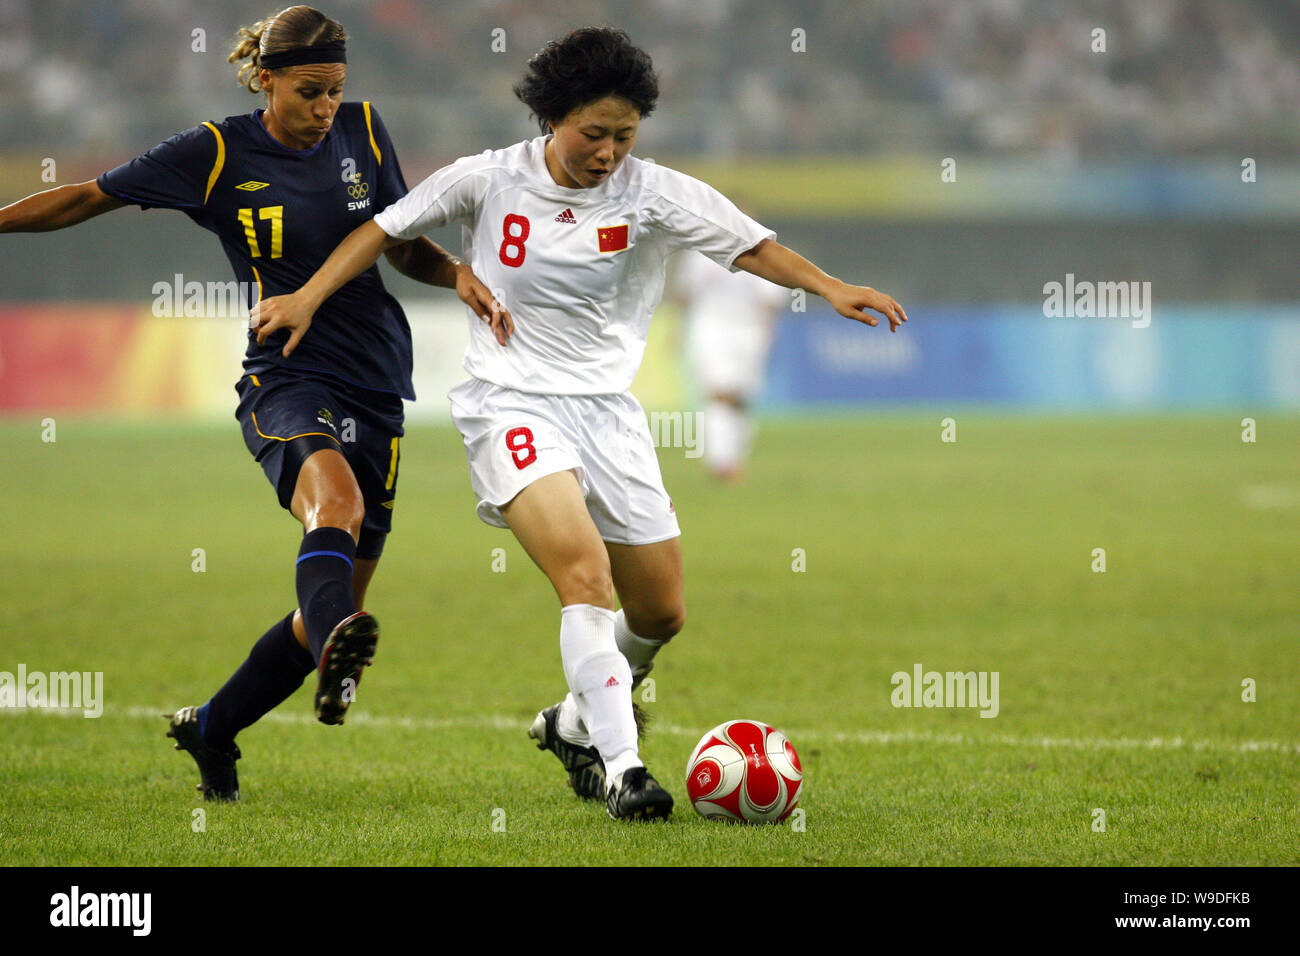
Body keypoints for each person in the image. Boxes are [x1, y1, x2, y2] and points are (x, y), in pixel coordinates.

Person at [250, 26, 907, 822]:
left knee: (661, 612)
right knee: (584, 578)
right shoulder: (489, 179)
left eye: (624, 136)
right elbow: (382, 232)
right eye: (594, 134)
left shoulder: (653, 191)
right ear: (551, 119)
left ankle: (570, 723)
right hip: (510, 404)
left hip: (609, 415)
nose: (608, 152)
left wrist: (830, 287)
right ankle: (623, 768)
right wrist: (308, 296)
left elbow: (750, 245)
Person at [0, 5, 504, 802]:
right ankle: (338, 635)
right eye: (310, 92)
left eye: (336, 91)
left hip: (379, 379)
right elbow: (88, 197)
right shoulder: (213, 151)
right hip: (287, 374)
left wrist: (457, 275)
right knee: (330, 509)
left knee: (325, 611)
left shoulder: (365, 132)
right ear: (266, 79)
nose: (326, 109)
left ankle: (212, 726)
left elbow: (399, 240)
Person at [672, 248, 786, 481]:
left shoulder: (760, 252)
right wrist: (679, 329)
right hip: (710, 328)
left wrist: (769, 331)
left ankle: (734, 456)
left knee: (741, 397)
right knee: (718, 391)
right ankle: (720, 461)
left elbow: (770, 298)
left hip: (750, 331)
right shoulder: (699, 255)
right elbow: (685, 294)